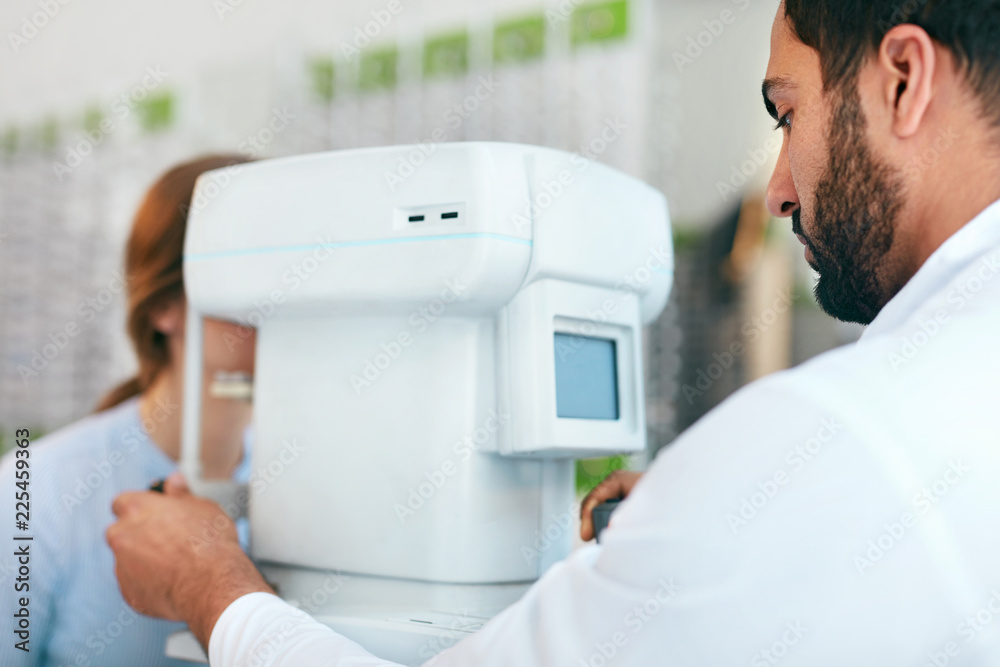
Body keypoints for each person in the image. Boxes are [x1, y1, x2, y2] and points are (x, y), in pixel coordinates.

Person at [107, 1, 1000, 664]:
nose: (777, 191)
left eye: (787, 112)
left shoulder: (844, 435)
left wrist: (209, 586)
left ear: (904, 79)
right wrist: (705, 525)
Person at [0, 155, 255, 666]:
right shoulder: (36, 490)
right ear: (164, 306)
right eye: (250, 269)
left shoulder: (314, 482)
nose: (283, 297)